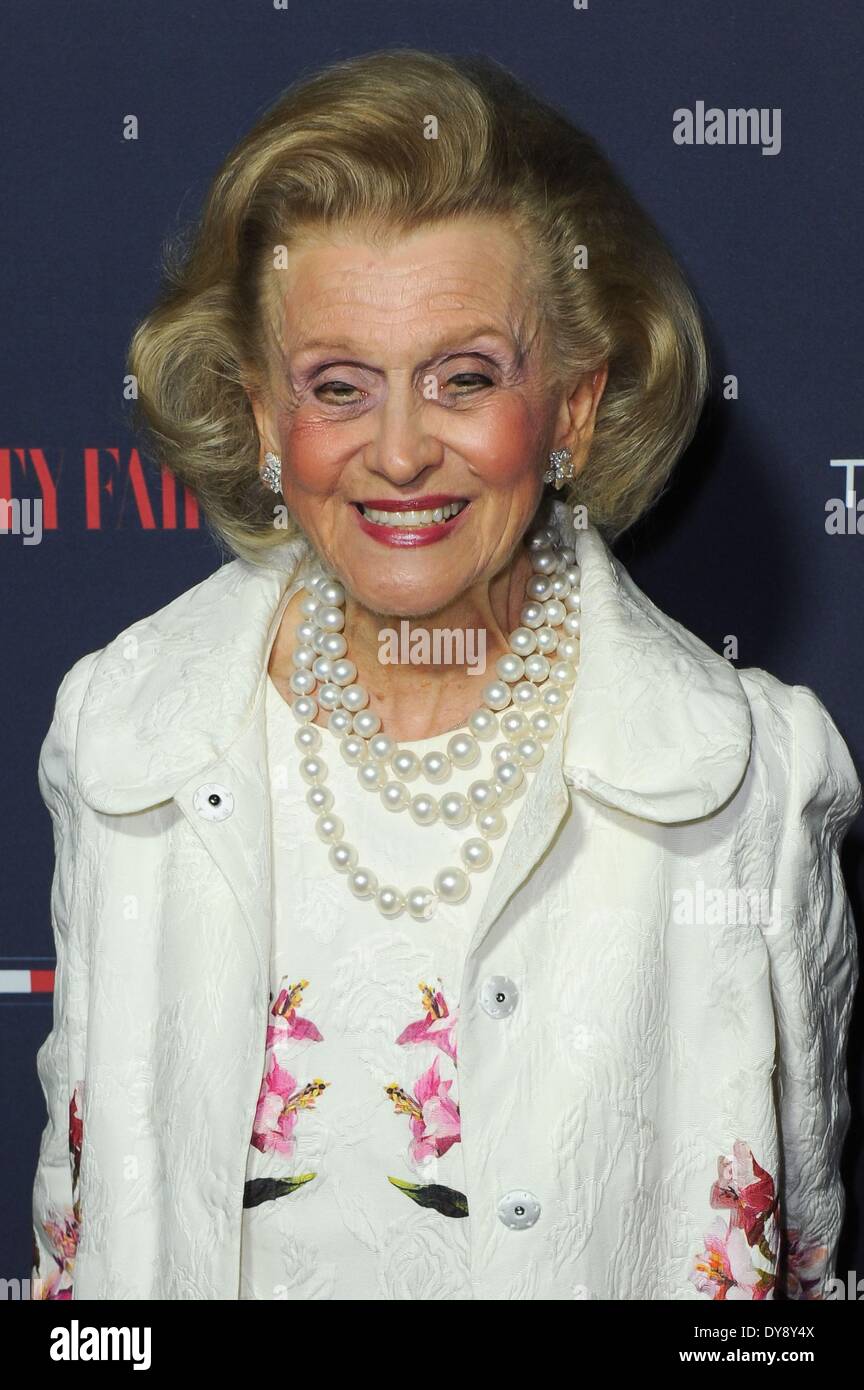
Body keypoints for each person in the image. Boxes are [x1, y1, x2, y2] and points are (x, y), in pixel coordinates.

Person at [31, 48, 861, 1301]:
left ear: (573, 410)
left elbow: (792, 1269)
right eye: (338, 386)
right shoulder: (124, 741)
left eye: (465, 377)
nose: (402, 450)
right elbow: (73, 1243)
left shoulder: (751, 792)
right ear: (265, 417)